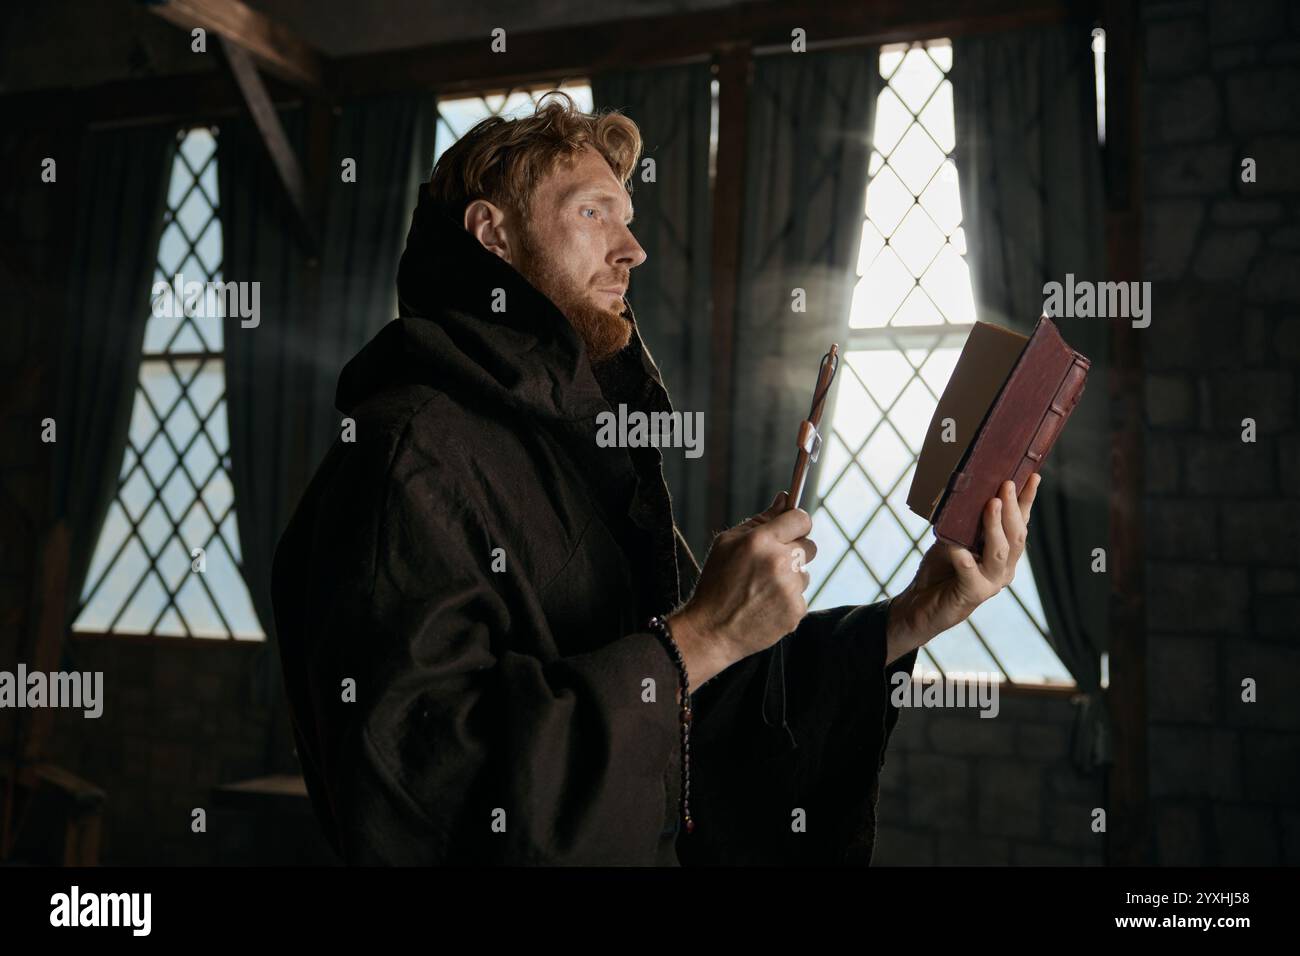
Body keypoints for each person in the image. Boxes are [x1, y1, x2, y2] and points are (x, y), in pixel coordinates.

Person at [270, 91, 1039, 866]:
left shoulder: (584, 447)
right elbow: (427, 796)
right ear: (492, 235)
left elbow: (705, 713)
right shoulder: (405, 455)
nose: (632, 247)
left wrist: (916, 613)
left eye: (626, 216)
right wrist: (698, 634)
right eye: (592, 214)